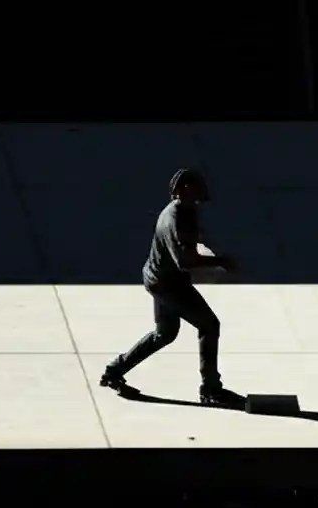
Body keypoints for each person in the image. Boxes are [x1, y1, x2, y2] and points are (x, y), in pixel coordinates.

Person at [100, 168, 241, 406]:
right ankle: (211, 389)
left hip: (159, 279)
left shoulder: (186, 209)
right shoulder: (173, 220)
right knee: (209, 325)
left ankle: (115, 370)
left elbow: (196, 236)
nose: (199, 199)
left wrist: (211, 248)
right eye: (196, 192)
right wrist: (220, 261)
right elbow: (184, 261)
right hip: (168, 284)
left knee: (165, 334)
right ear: (184, 189)